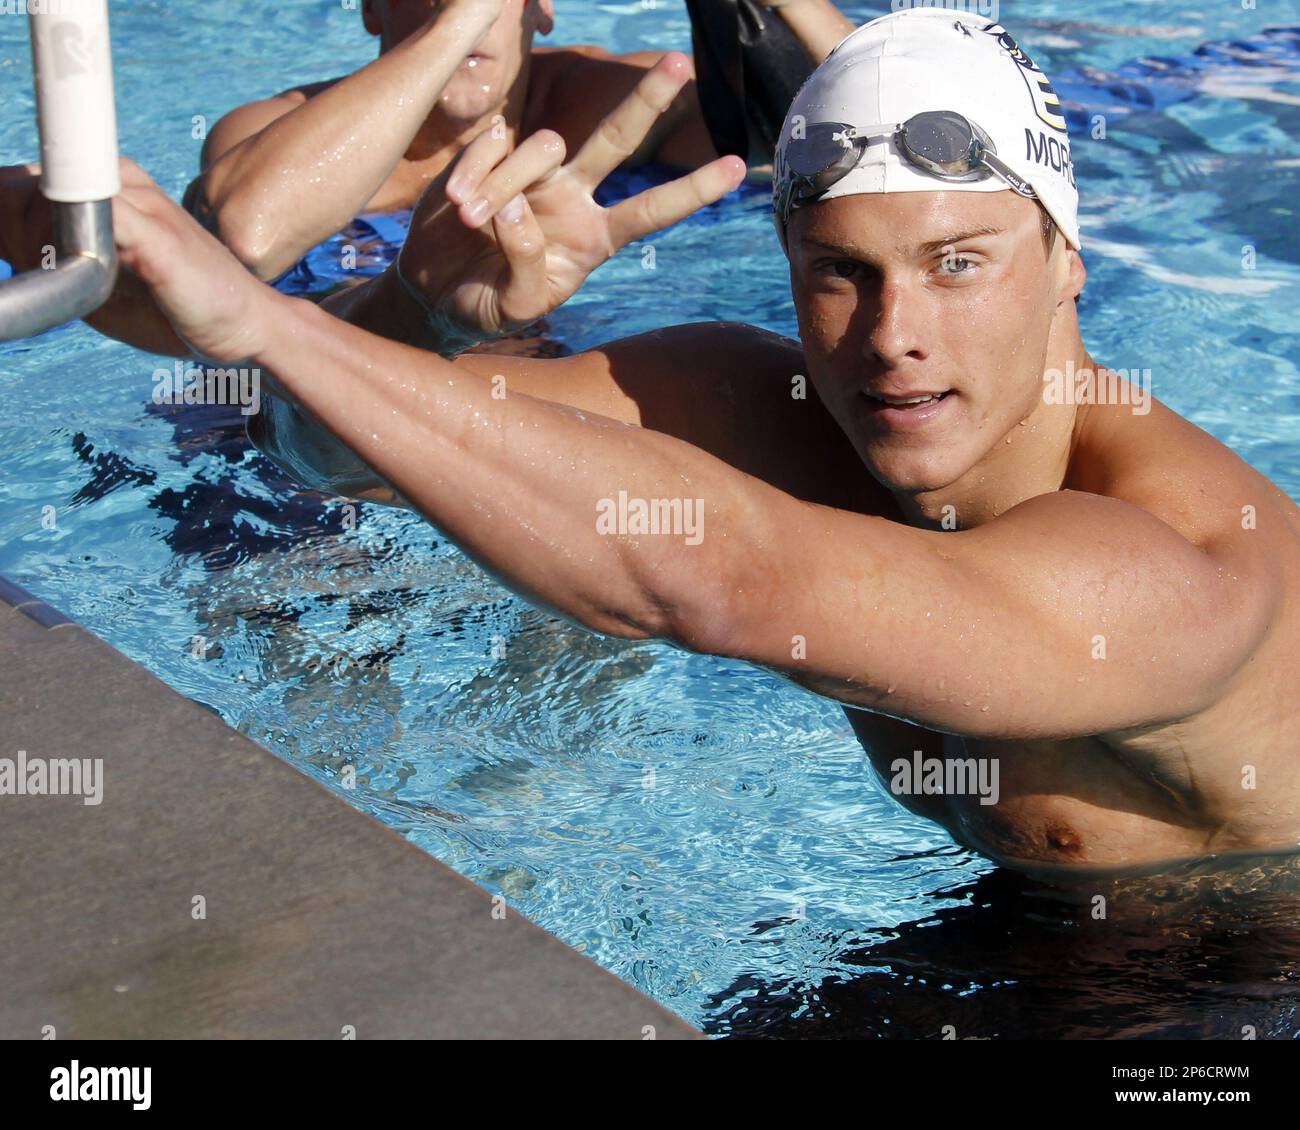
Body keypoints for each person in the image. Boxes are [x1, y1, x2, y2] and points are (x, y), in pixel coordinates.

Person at [87, 10, 1300, 873]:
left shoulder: (1170, 570)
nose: (894, 338)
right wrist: (418, 313)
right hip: (1005, 939)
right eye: (841, 273)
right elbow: (331, 458)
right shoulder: (753, 396)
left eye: (958, 264)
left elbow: (723, 581)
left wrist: (265, 323)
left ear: (1067, 262)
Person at [182, 0, 854, 284]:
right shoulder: (274, 130)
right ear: (371, 7)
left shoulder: (609, 101)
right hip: (302, 434)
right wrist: (461, 24)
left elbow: (856, 135)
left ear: (542, 7)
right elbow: (251, 237)